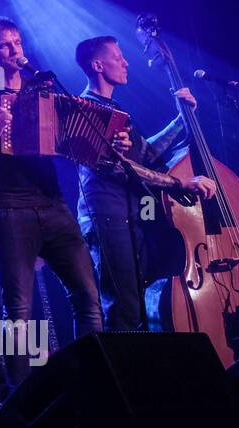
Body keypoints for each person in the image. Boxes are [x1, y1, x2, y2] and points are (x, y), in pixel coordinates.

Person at [0, 16, 103, 389]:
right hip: (9, 207)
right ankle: (21, 404)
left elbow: (74, 139)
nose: (15, 51)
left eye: (18, 43)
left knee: (89, 297)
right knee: (19, 310)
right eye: (6, 45)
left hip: (54, 203)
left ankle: (88, 388)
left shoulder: (42, 87)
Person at [73, 36, 216, 330]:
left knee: (137, 304)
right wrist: (180, 184)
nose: (125, 62)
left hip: (130, 215)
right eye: (117, 57)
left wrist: (181, 119)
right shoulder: (87, 109)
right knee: (123, 306)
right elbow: (124, 169)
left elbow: (146, 154)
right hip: (106, 217)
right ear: (98, 65)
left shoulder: (116, 110)